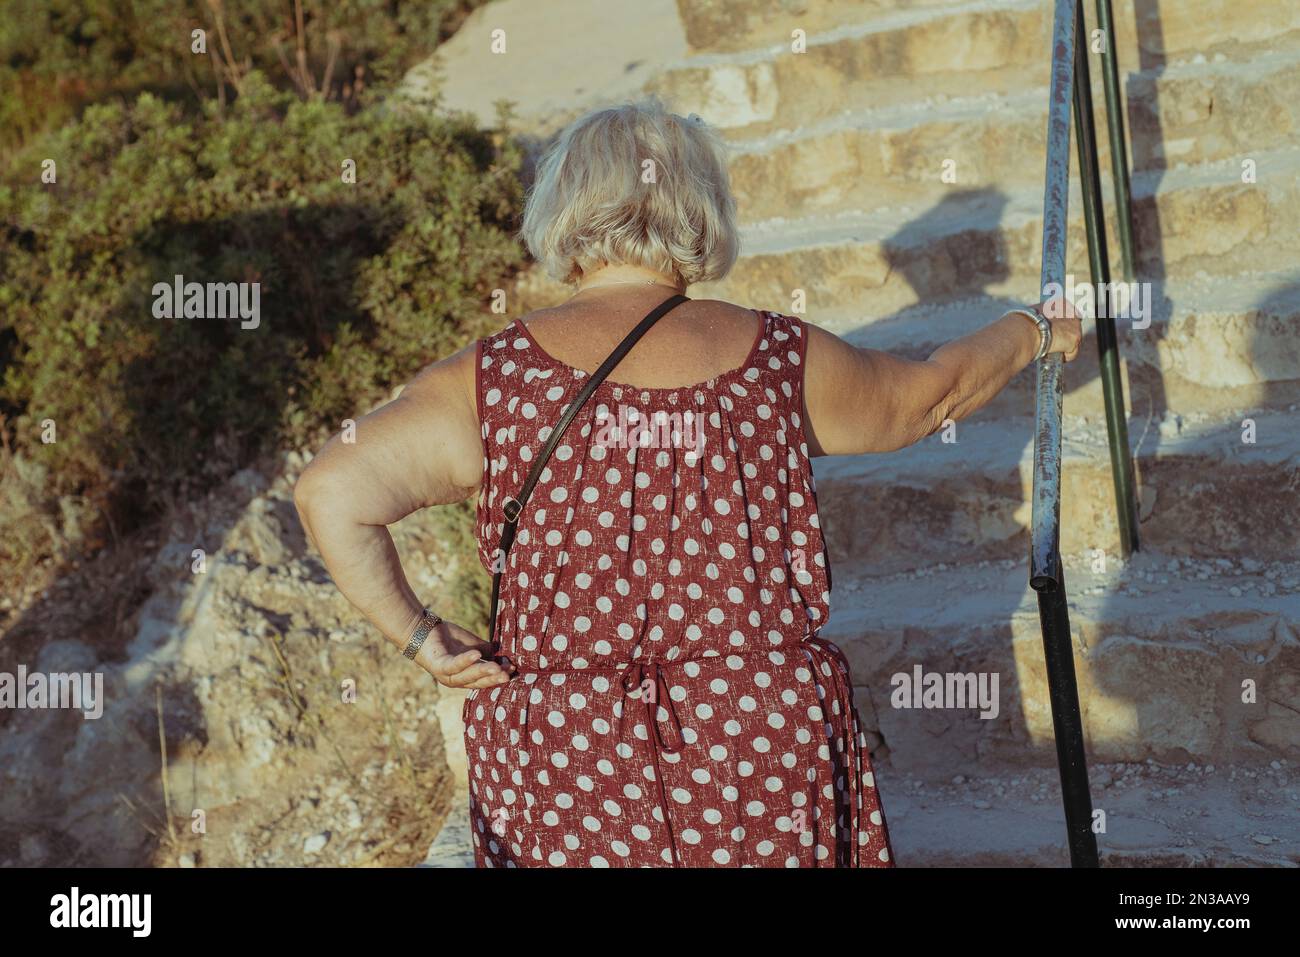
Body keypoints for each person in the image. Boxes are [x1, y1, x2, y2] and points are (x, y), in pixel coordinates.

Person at [293, 97, 1081, 868]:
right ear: (701, 209)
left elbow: (329, 491)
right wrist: (1031, 329)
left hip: (570, 759)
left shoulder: (492, 380)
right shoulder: (777, 356)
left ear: (562, 209)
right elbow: (928, 396)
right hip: (753, 743)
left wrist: (422, 635)